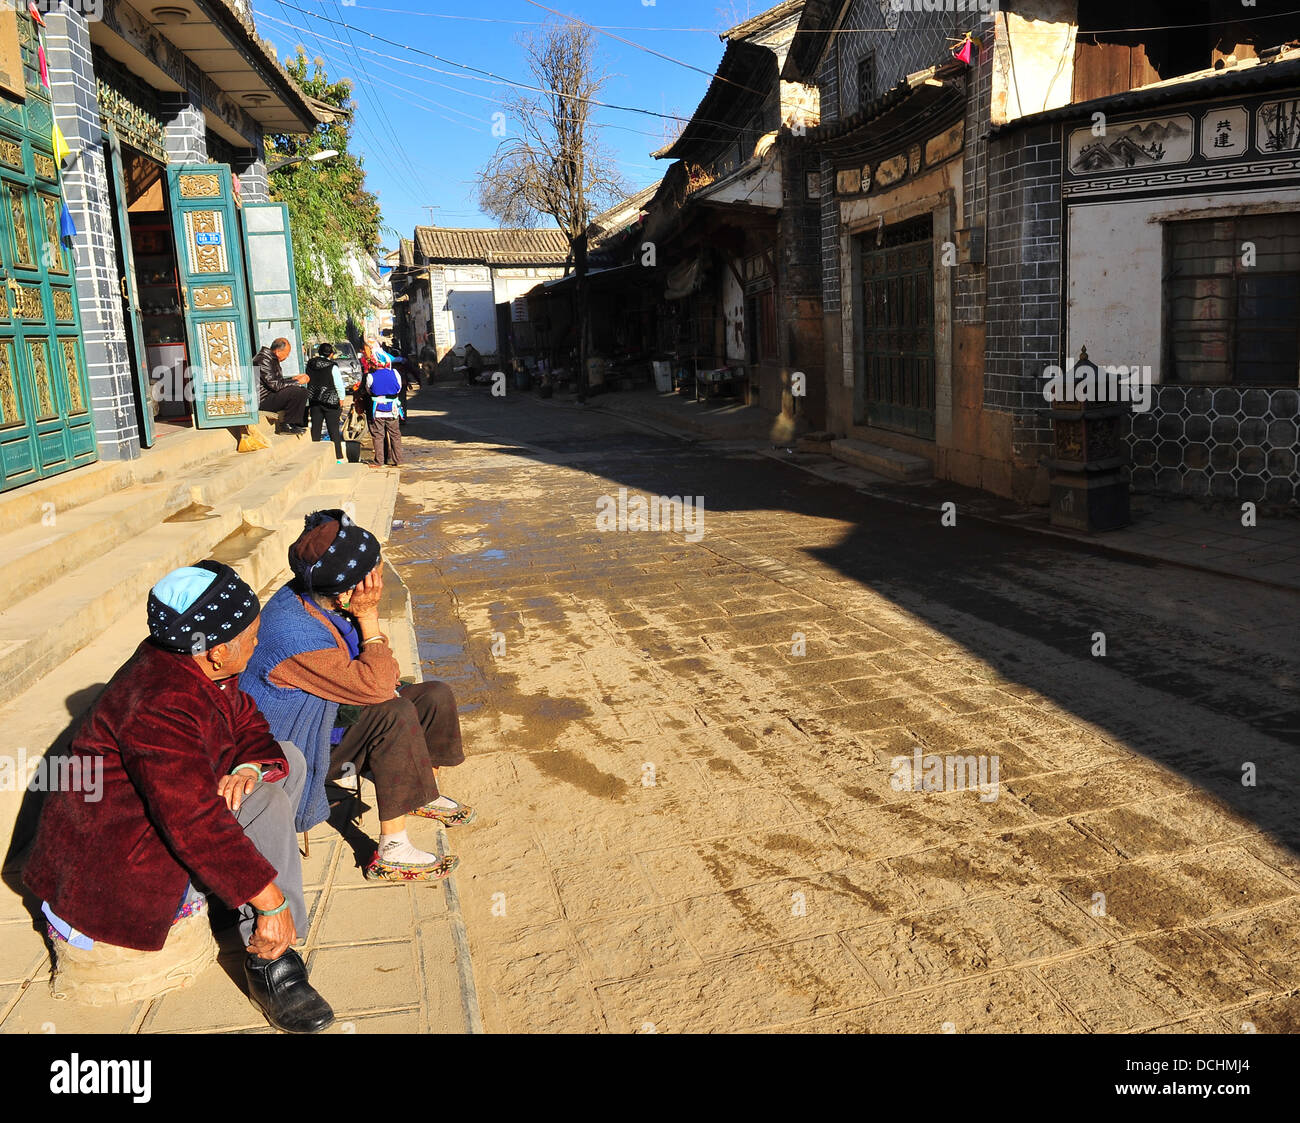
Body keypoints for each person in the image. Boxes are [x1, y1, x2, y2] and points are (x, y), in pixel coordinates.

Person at [22, 562, 334, 1034]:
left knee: (283, 760)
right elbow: (192, 822)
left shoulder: (198, 662)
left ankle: (245, 898)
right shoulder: (158, 702)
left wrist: (249, 766)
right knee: (266, 806)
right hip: (121, 857)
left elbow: (249, 725)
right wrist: (271, 902)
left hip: (171, 812)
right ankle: (271, 956)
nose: (257, 642)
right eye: (251, 635)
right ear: (215, 651)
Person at [240, 511, 475, 883]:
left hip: (333, 713)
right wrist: (369, 620)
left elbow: (384, 670)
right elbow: (381, 684)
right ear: (346, 590)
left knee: (434, 694)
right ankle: (392, 850)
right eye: (370, 579)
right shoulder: (295, 637)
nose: (376, 585)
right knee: (393, 713)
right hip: (301, 746)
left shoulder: (324, 601)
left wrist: (371, 642)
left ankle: (421, 794)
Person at [254, 338, 309, 433]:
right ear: (278, 351)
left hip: (270, 395)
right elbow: (275, 385)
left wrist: (293, 379)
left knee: (302, 391)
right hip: (262, 400)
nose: (287, 356)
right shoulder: (263, 360)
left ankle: (293, 423)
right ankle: (287, 425)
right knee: (296, 392)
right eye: (287, 353)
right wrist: (297, 382)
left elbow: (276, 381)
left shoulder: (270, 359)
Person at [306, 343, 348, 464]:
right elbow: (339, 385)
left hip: (314, 400)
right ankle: (338, 457)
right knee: (334, 431)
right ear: (331, 354)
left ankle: (313, 457)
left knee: (315, 430)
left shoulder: (310, 364)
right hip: (330, 401)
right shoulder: (332, 366)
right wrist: (341, 399)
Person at [364, 348, 405, 468]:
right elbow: (398, 389)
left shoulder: (370, 377)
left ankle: (379, 461)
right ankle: (398, 460)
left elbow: (369, 390)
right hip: (392, 409)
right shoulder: (395, 373)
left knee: (378, 435)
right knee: (395, 435)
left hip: (378, 410)